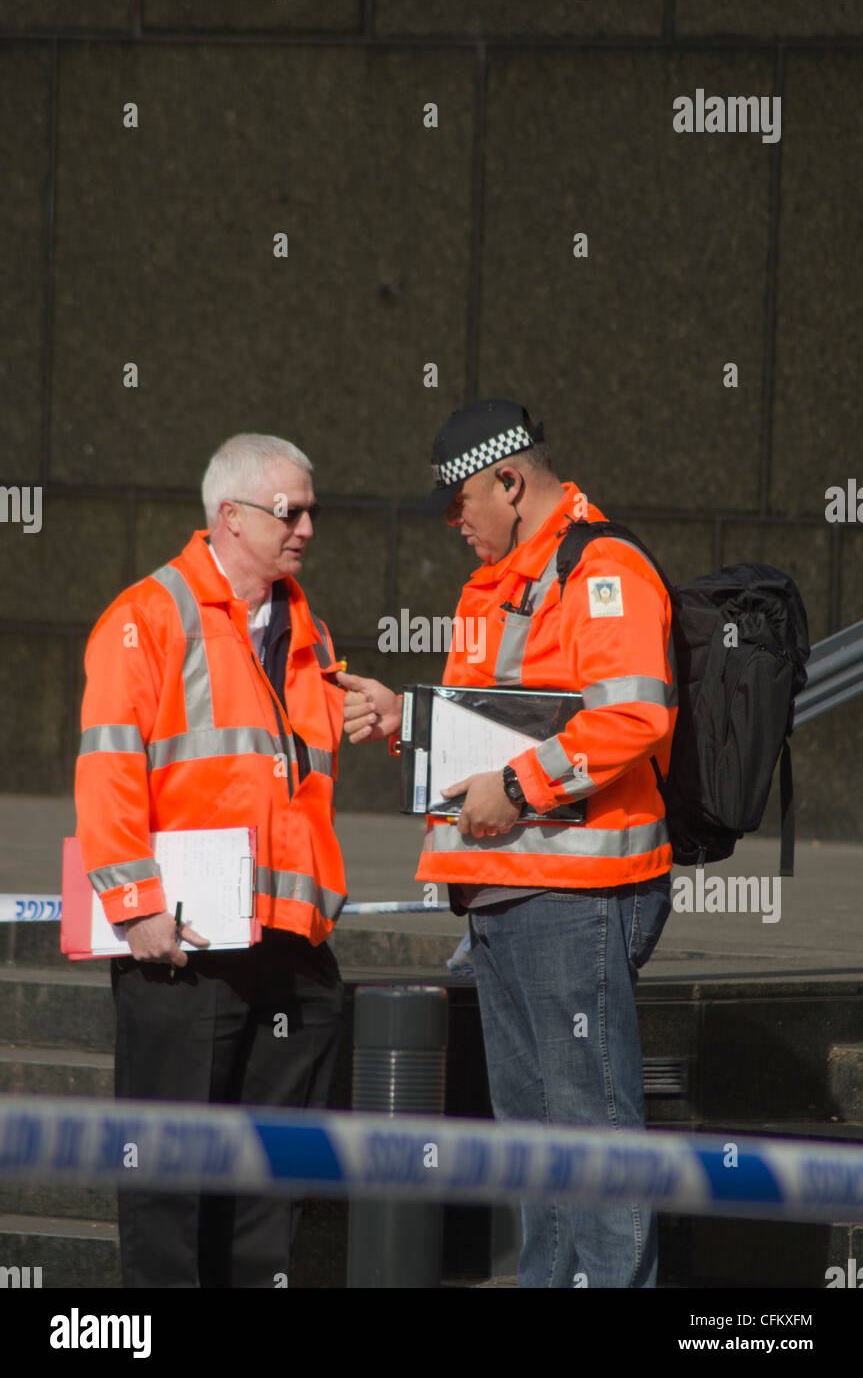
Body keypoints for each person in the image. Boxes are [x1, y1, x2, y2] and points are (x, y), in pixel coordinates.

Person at [338, 399, 677, 1288]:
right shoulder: (499, 584)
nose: (454, 524)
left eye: (459, 505)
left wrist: (520, 788)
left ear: (509, 481)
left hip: (571, 899)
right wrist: (400, 718)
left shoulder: (602, 569)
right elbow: (483, 728)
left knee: (589, 1128)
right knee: (534, 1135)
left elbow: (633, 713)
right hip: (502, 892)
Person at [74, 433, 347, 1288]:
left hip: (288, 945)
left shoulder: (305, 628)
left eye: (310, 510)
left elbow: (292, 771)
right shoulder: (147, 617)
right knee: (169, 1181)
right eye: (286, 510)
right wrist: (135, 906)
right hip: (182, 949)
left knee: (269, 1180)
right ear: (228, 516)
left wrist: (377, 714)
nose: (304, 527)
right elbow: (108, 769)